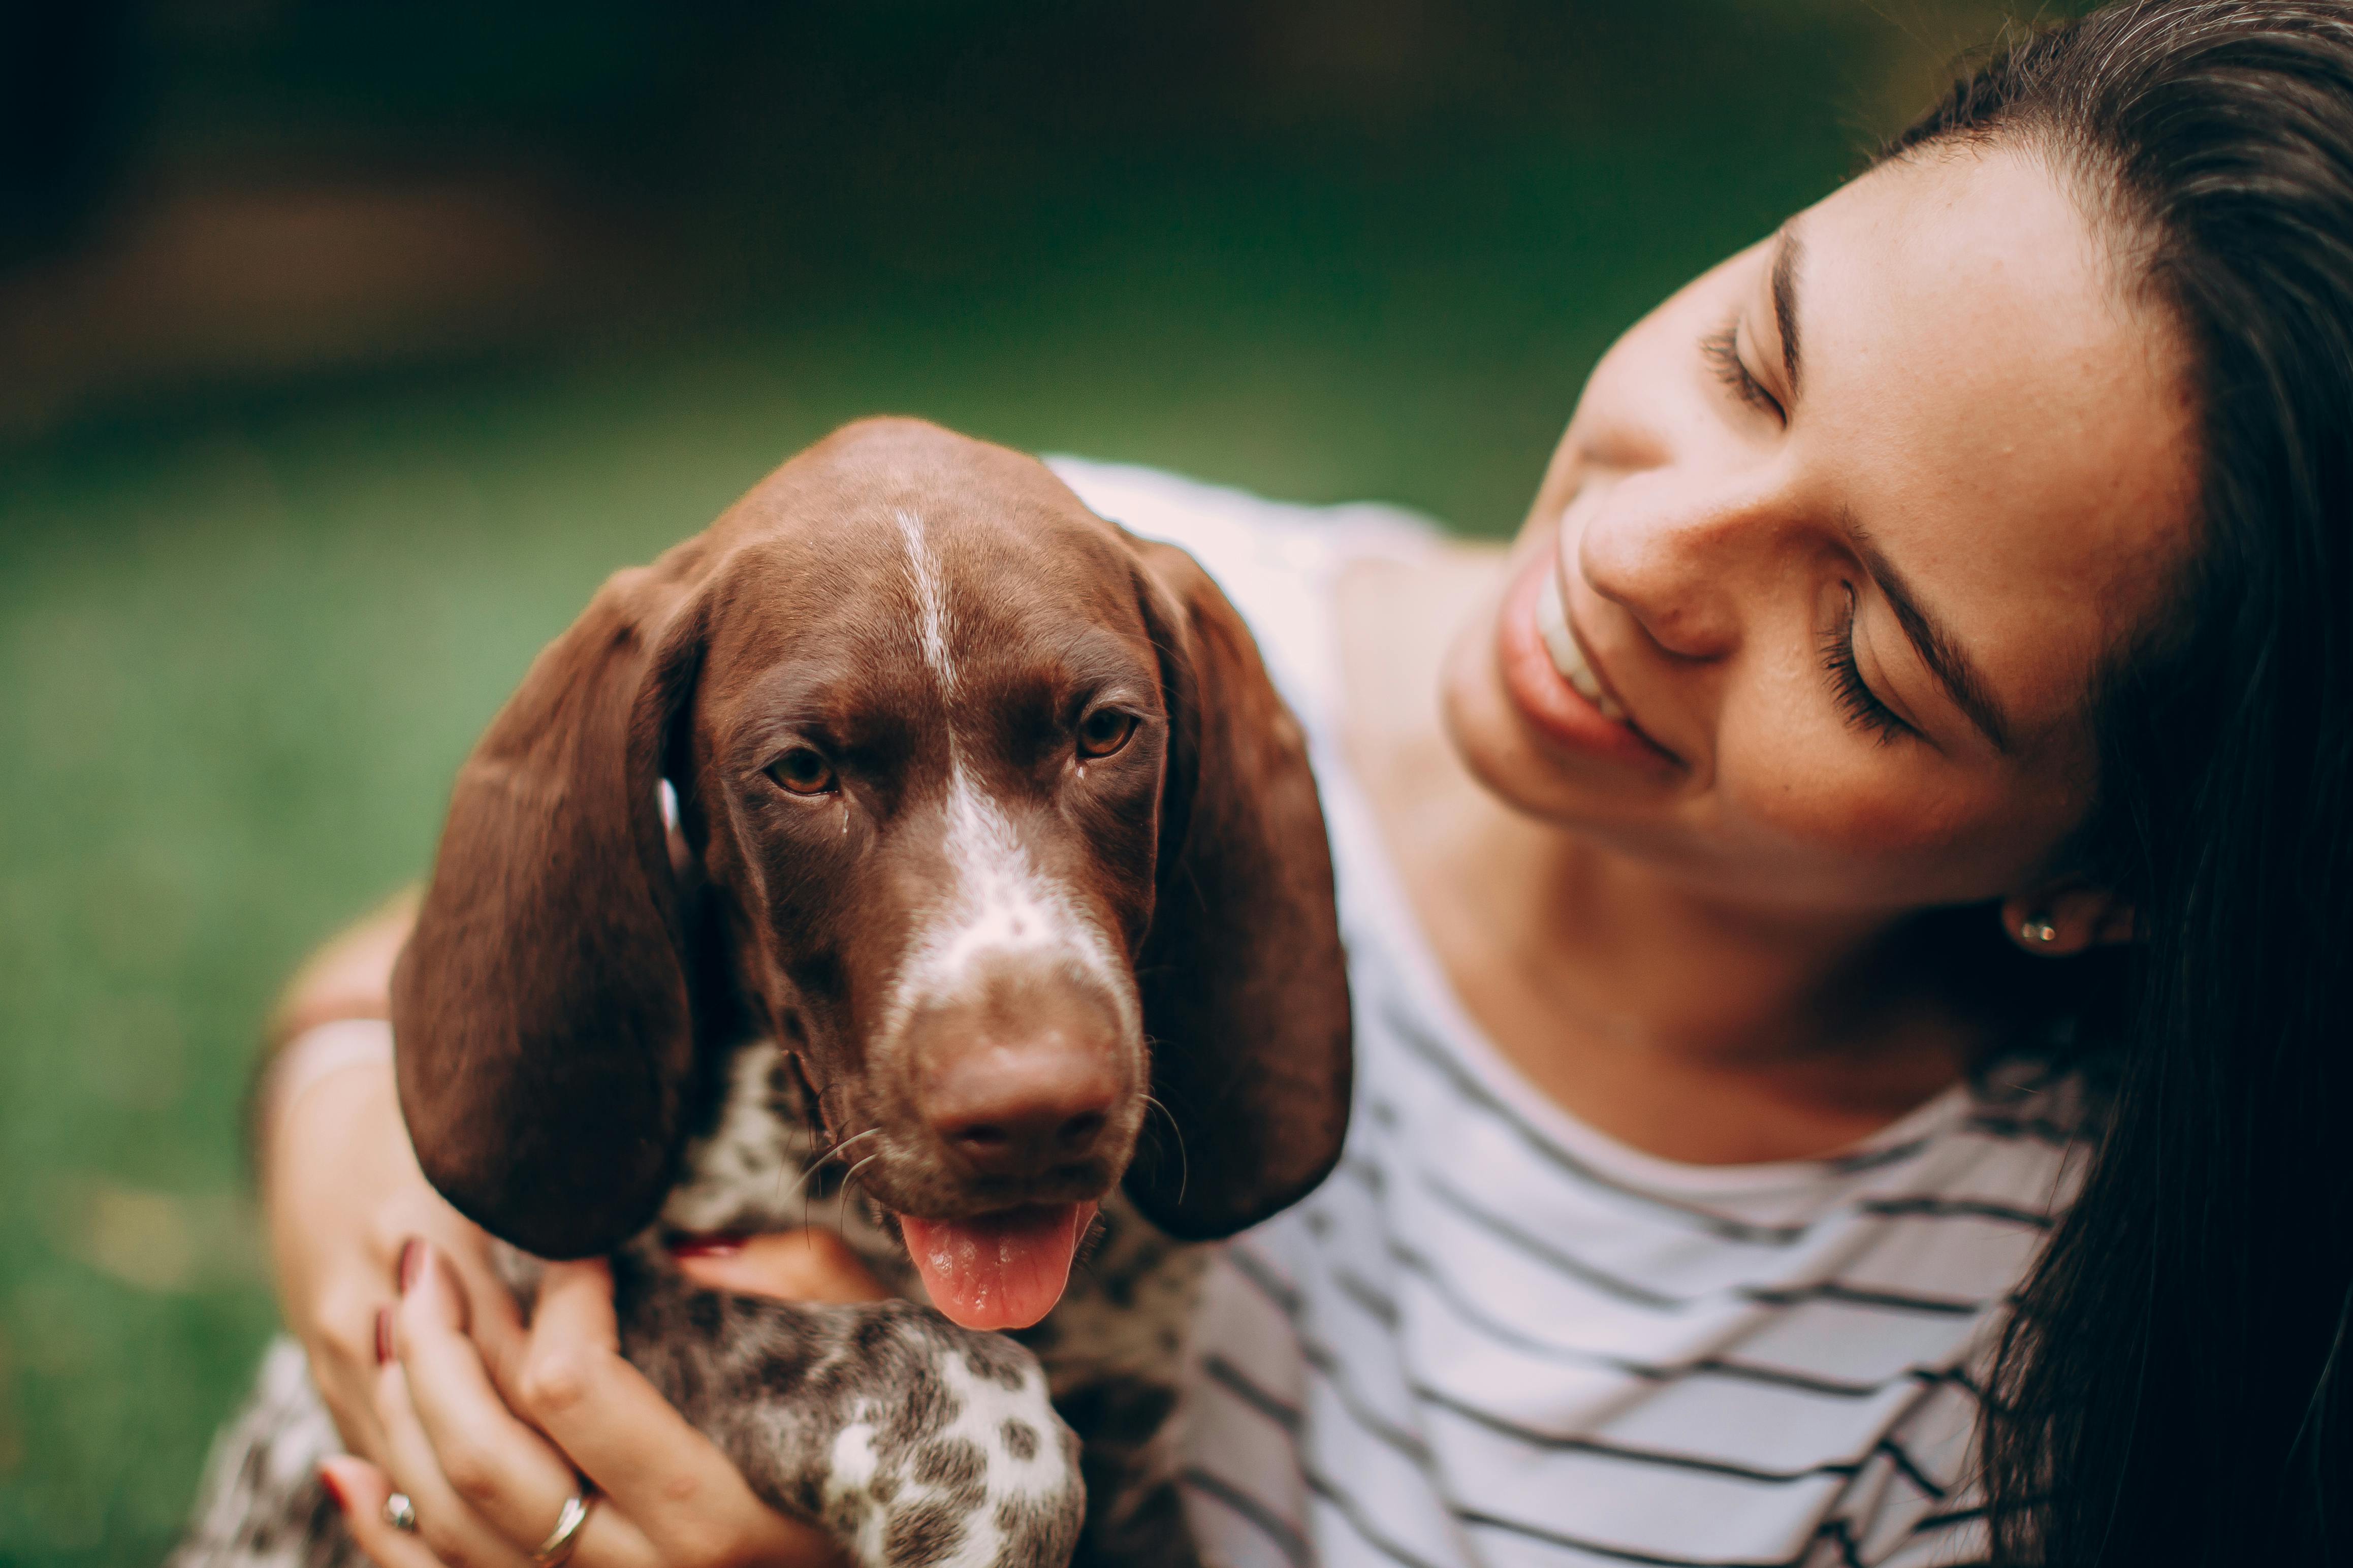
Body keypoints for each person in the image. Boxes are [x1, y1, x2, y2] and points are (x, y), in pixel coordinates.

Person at [235, 3, 2353, 1563]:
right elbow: (459, 972)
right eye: (1752, 358)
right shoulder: (1116, 611)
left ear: (2121, 870)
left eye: (1868, 650)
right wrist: (378, 1206)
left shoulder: (2023, 1366)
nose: (1641, 554)